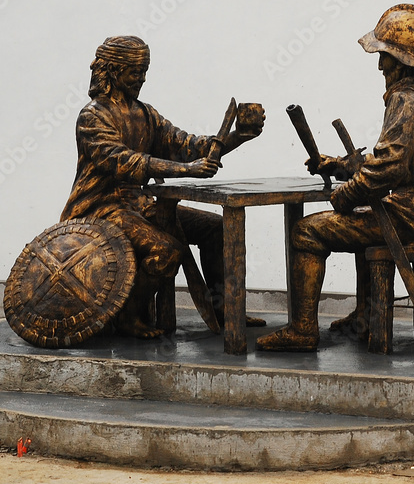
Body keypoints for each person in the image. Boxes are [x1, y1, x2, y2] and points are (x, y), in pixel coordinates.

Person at [256, 4, 414, 352]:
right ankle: (365, 316)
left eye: (385, 56)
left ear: (402, 61)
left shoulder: (406, 98)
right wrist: (341, 166)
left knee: (306, 231)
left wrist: (345, 196)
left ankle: (302, 329)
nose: (380, 64)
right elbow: (401, 160)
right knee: (363, 222)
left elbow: (388, 170)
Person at [61, 35, 264, 338]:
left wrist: (238, 137)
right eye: (135, 72)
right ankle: (127, 316)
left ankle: (224, 309)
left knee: (216, 228)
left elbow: (188, 146)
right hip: (101, 208)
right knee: (166, 252)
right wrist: (186, 171)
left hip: (138, 205)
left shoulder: (145, 113)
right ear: (114, 72)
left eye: (145, 71)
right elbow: (122, 161)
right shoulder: (93, 116)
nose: (142, 79)